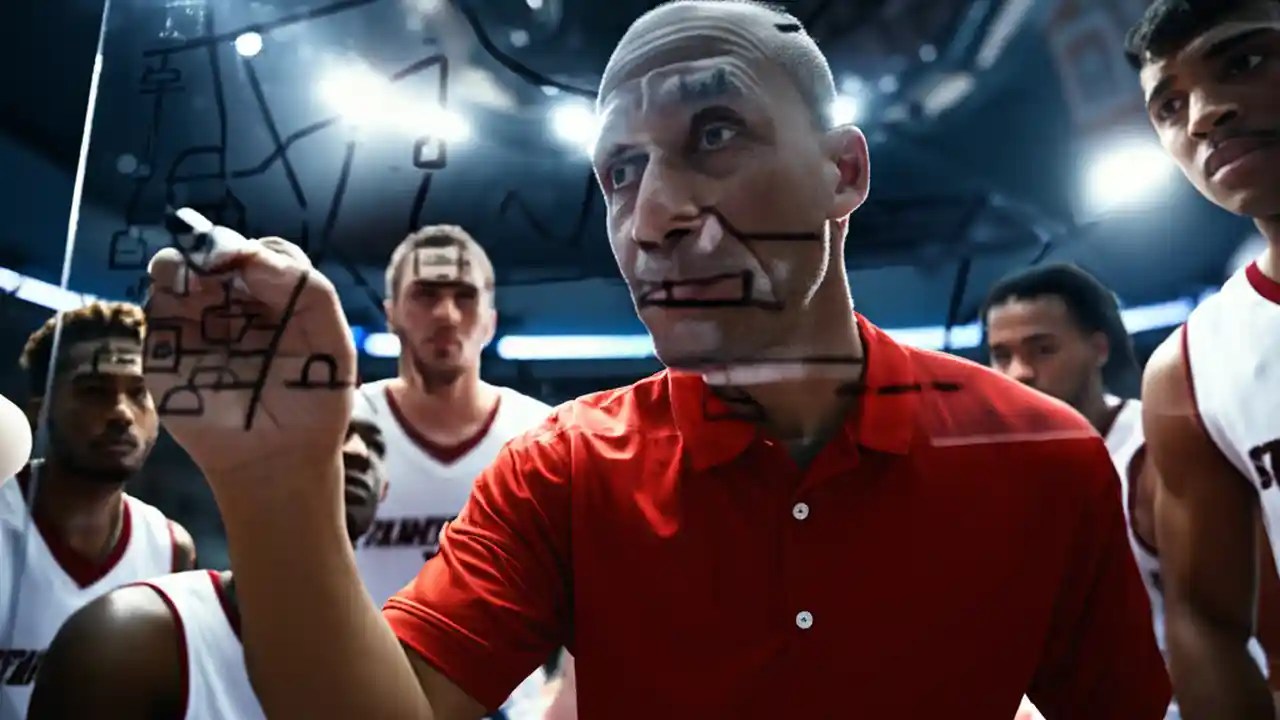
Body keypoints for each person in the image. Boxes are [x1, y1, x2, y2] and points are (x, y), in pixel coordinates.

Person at [142, 1, 1172, 718]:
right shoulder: (562, 469)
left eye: (714, 133)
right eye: (619, 172)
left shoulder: (1041, 455)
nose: (653, 217)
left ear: (841, 172)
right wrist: (275, 482)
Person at [983, 262, 1275, 719]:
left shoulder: (1158, 448)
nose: (1019, 372)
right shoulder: (998, 473)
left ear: (1098, 347)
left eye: (1043, 349)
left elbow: (1243, 620)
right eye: (1001, 355)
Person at [1126, 1, 1280, 717]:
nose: (1203, 116)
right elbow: (1206, 624)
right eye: (1169, 105)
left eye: (1245, 60)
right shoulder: (1189, 365)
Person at [24, 417, 386, 720]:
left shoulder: (399, 658)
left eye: (374, 445)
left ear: (384, 490)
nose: (357, 452)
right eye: (333, 430)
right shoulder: (125, 641)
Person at [352, 224, 561, 715]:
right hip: (366, 700)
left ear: (489, 321)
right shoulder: (343, 429)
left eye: (464, 296)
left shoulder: (541, 432)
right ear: (391, 315)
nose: (446, 314)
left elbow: (592, 593)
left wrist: (561, 698)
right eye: (425, 295)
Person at [0, 301, 197, 717]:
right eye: (94, 391)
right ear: (41, 410)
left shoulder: (170, 548)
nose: (123, 413)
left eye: (139, 392)